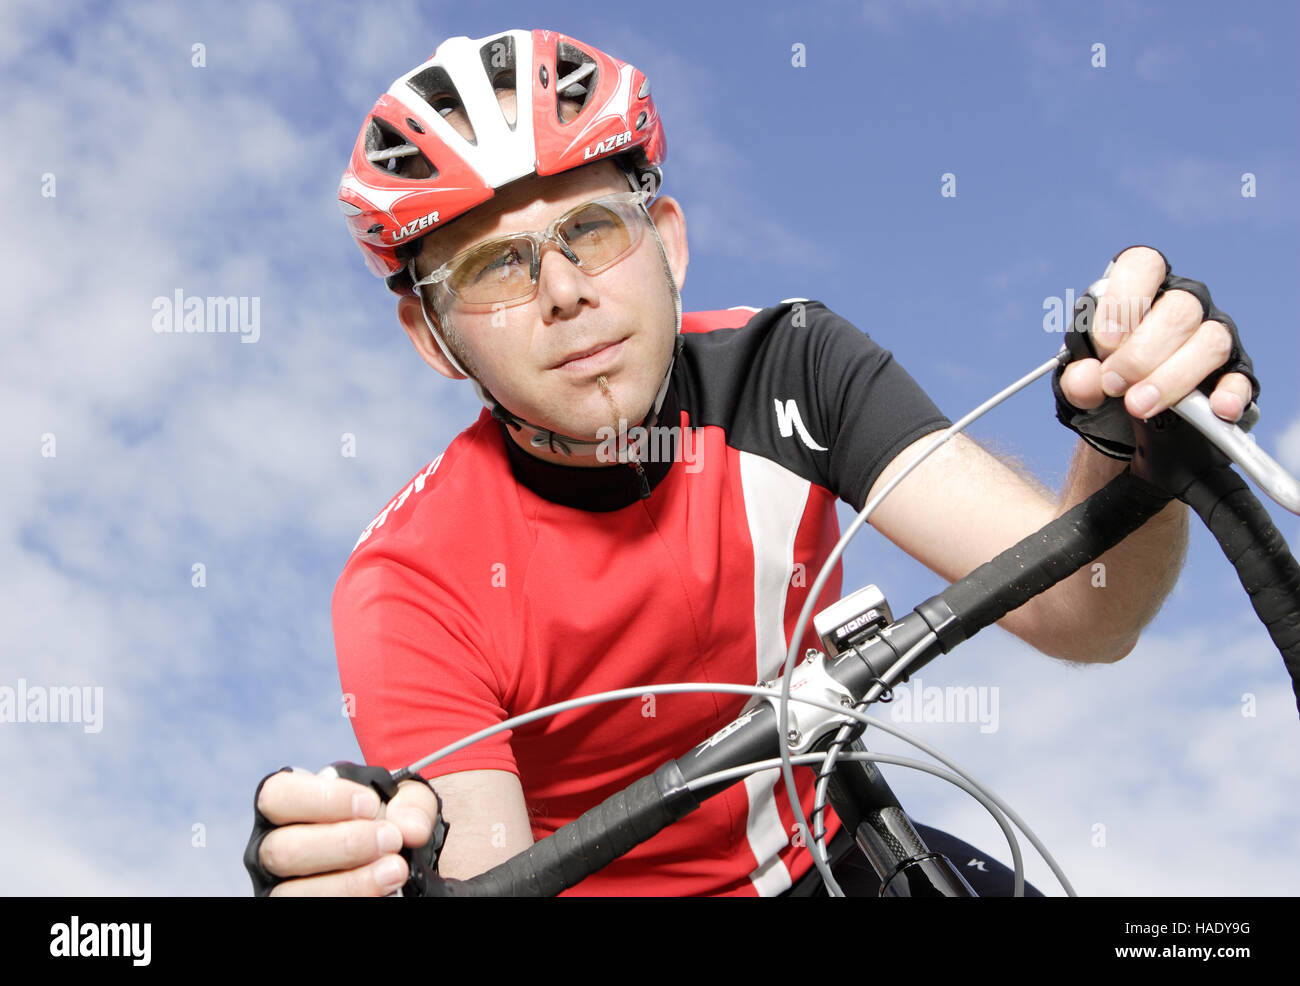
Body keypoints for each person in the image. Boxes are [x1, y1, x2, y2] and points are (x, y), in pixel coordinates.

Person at [243, 28, 1258, 897]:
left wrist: (1133, 438)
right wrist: (392, 872)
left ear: (667, 244)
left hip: (836, 855)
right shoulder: (407, 582)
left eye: (590, 228)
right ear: (433, 337)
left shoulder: (793, 367)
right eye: (494, 265)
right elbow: (488, 870)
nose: (561, 290)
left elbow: (1087, 610)